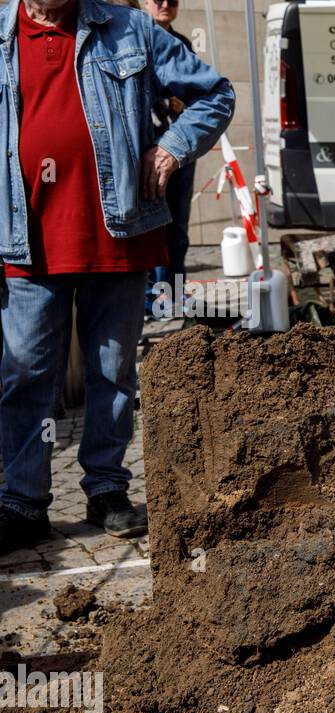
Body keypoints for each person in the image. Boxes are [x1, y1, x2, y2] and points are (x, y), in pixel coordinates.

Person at [0, 0, 234, 552]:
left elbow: (216, 93)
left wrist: (173, 148)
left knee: (112, 373)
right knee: (26, 375)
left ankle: (106, 489)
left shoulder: (129, 29)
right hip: (24, 240)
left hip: (118, 233)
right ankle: (22, 501)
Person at [140, 0, 196, 319]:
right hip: (147, 149)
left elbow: (196, 93)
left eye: (172, 1)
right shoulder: (136, 39)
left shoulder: (182, 44)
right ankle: (150, 297)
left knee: (178, 228)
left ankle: (173, 292)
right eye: (158, 0)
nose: (165, 5)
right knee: (151, 227)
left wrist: (179, 101)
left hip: (178, 150)